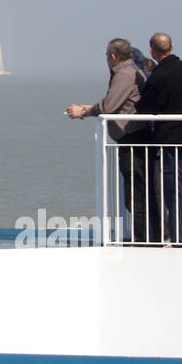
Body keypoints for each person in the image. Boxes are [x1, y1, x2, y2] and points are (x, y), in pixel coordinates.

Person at [66, 38, 156, 242]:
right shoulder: (134, 70)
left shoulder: (124, 74)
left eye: (107, 56)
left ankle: (144, 240)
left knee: (135, 194)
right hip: (138, 137)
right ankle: (148, 237)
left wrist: (84, 111)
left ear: (113, 56)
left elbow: (109, 106)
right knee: (141, 192)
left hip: (133, 139)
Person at [134, 32, 182, 244]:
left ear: (152, 50)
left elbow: (146, 107)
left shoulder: (159, 77)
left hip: (172, 139)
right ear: (172, 46)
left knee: (175, 190)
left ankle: (181, 237)